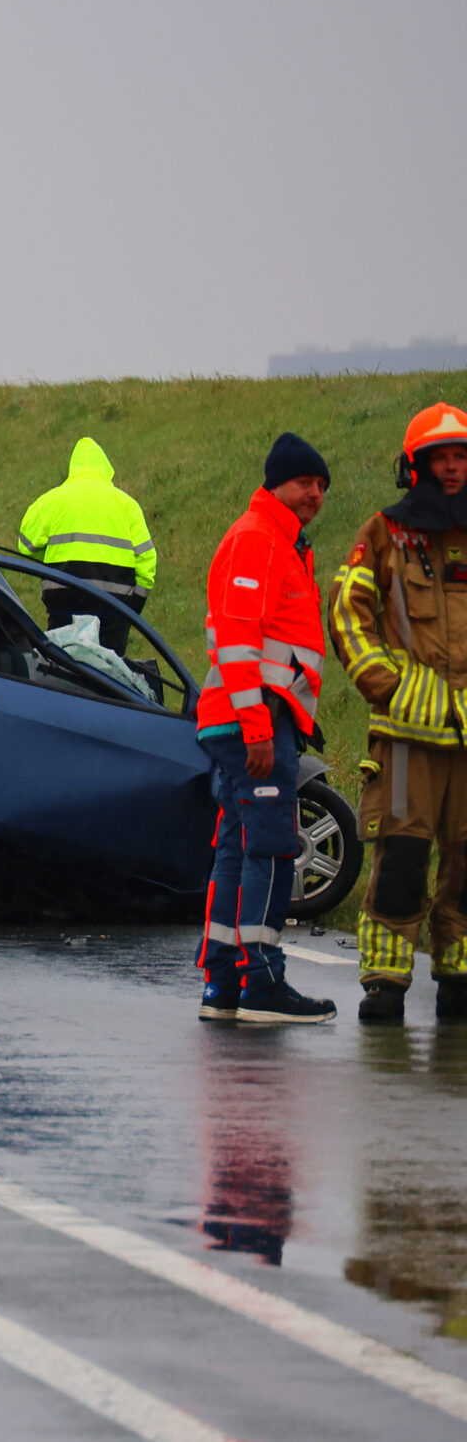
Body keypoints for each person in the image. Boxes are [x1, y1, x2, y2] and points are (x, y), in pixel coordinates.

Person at [325, 400, 467, 1023]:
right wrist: (387, 685)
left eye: (462, 456)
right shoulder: (384, 532)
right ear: (415, 466)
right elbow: (347, 611)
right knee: (402, 862)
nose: (453, 467)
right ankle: (386, 982)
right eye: (441, 457)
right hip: (406, 737)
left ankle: (460, 974)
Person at [196, 433, 337, 1024]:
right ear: (276, 483)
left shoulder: (280, 540)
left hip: (246, 717)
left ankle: (224, 982)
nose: (315, 494)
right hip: (253, 720)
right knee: (273, 848)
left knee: (239, 845)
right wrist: (257, 727)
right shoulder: (260, 538)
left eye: (322, 486)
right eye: (305, 483)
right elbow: (237, 638)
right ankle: (261, 981)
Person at [17, 438, 157, 655]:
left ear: (73, 468)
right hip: (114, 605)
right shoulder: (127, 505)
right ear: (105, 468)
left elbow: (26, 544)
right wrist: (134, 605)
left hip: (64, 600)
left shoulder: (51, 501)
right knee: (111, 669)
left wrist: (55, 555)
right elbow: (147, 559)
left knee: (63, 666)